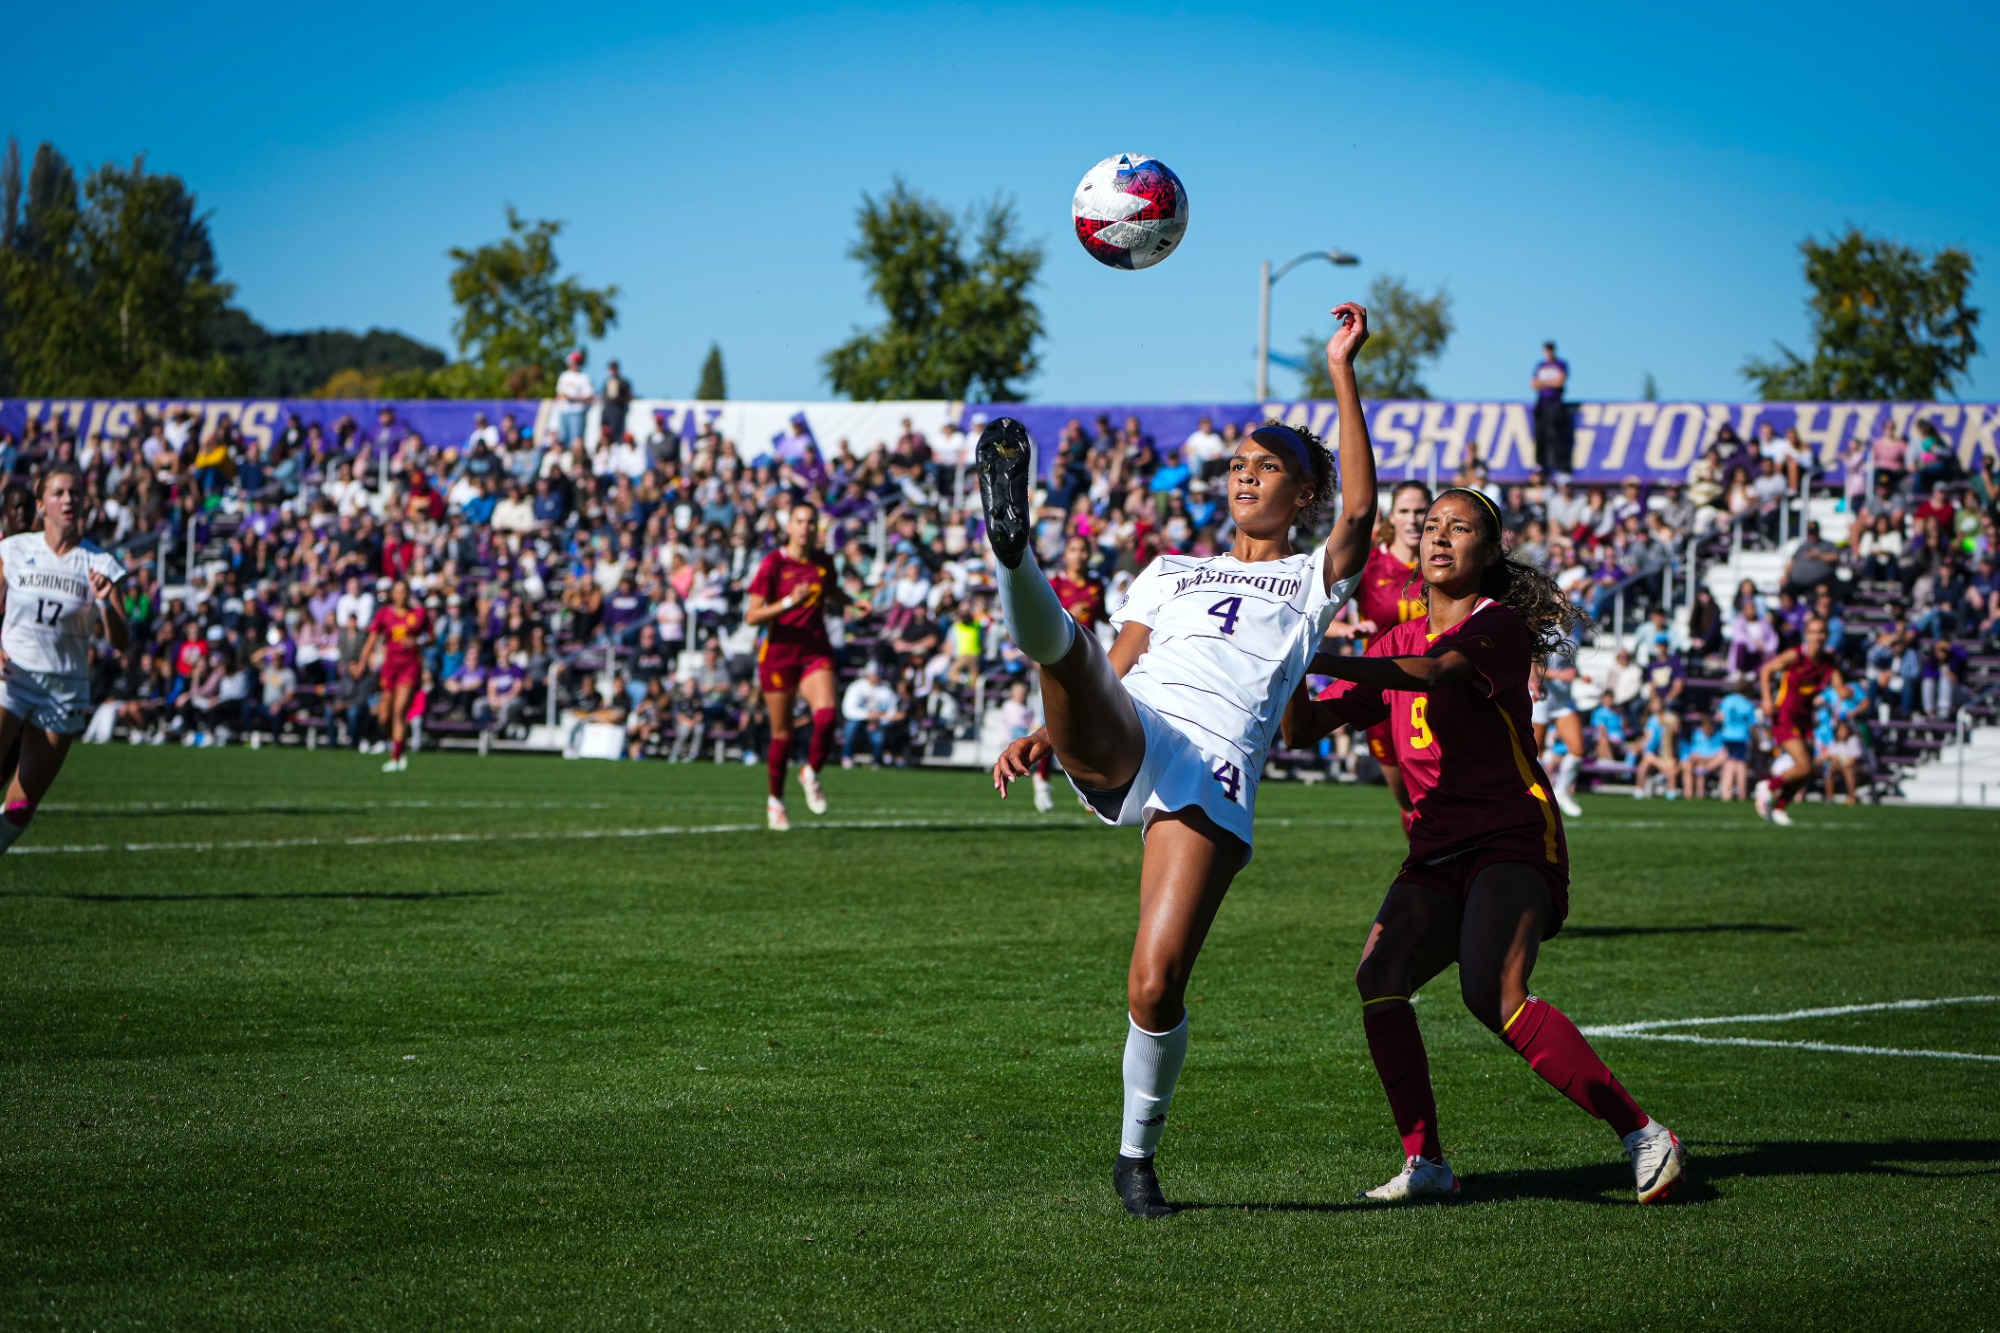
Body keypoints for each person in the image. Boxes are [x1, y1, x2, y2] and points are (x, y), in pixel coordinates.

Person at [986, 304, 1379, 1219]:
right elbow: (1113, 669)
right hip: (1134, 719)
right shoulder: (1168, 568)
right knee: (1072, 651)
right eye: (1238, 465)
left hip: (1215, 764)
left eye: (1266, 466)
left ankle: (1136, 1156)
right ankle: (1016, 557)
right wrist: (1050, 732)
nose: (1244, 476)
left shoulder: (1310, 579)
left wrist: (1340, 367)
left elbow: (1362, 507)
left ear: (1302, 495)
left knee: (1155, 982)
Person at [1282, 487, 1685, 1206]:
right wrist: (1279, 661)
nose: (1438, 537)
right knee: (1379, 976)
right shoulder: (1394, 641)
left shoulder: (1499, 627)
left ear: (1490, 550)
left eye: (1458, 528)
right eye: (1430, 526)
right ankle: (1426, 1162)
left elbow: (1436, 673)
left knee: (1492, 992)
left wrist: (1320, 652)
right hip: (1437, 846)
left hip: (1511, 834)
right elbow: (1302, 729)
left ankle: (1644, 1133)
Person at [0, 466, 132, 853]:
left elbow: (122, 642)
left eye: (75, 493)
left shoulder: (101, 564)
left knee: (21, 805)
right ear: (40, 505)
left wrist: (106, 604)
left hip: (64, 691)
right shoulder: (13, 550)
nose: (68, 500)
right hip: (12, 679)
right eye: (58, 493)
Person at [744, 502, 846, 830]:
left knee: (828, 715)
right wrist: (790, 602)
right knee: (782, 735)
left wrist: (854, 603)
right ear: (789, 527)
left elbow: (831, 592)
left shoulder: (823, 562)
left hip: (815, 651)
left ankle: (811, 772)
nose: (805, 527)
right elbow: (752, 615)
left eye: (811, 522)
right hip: (779, 654)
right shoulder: (773, 564)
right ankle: (776, 801)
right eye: (799, 521)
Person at [1341, 481, 1431, 833]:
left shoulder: (1444, 562)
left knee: (1437, 797)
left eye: (1420, 511)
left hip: (1435, 692)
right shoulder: (1369, 564)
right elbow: (1318, 610)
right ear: (1392, 516)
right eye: (1405, 511)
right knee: (1408, 802)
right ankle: (1422, 868)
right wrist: (1344, 631)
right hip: (1381, 697)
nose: (1413, 519)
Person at [1753, 615, 1842, 826]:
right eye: (1813, 631)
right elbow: (1766, 670)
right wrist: (1766, 699)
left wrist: (1846, 692)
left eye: (1821, 632)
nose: (1818, 636)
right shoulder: (1795, 655)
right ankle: (1769, 786)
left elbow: (1840, 685)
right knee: (1805, 765)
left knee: (1807, 769)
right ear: (1806, 634)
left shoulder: (1828, 661)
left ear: (1827, 635)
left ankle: (1779, 808)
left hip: (1805, 719)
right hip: (1785, 716)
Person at [356, 578, 431, 772]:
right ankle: (397, 745)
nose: (401, 595)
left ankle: (396, 757)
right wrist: (362, 662)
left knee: (399, 711)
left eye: (404, 591)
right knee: (384, 717)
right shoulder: (384, 615)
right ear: (392, 594)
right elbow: (371, 640)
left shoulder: (418, 615)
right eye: (397, 591)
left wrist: (417, 641)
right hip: (390, 668)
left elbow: (431, 637)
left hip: (410, 667)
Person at [1531, 341, 1571, 475]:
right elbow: (1533, 384)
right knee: (1540, 435)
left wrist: (1543, 383)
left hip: (1556, 403)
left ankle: (1560, 465)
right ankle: (1541, 464)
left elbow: (1560, 382)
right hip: (1542, 403)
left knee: (1557, 435)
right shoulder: (1540, 366)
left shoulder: (1560, 364)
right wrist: (1550, 383)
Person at [556, 351, 595, 446]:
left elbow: (589, 396)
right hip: (564, 411)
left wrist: (573, 399)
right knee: (564, 438)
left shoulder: (584, 377)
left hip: (578, 412)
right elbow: (559, 393)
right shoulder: (564, 376)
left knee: (576, 439)